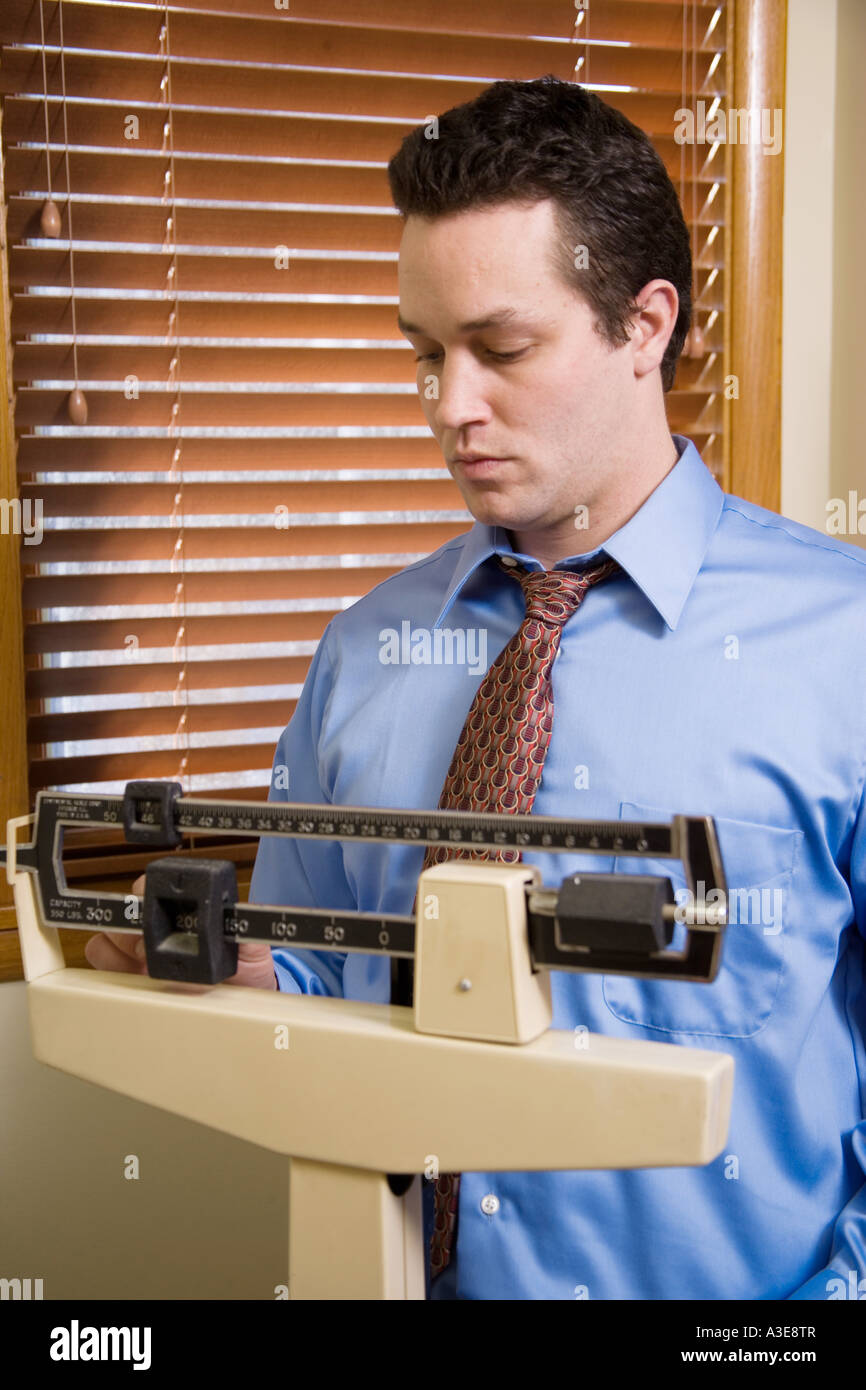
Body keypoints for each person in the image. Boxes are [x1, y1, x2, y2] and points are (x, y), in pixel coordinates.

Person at [87, 77, 866, 1302]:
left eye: (500, 349)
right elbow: (314, 982)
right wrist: (232, 981)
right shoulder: (361, 653)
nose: (450, 406)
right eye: (425, 353)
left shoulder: (844, 643)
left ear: (642, 325)